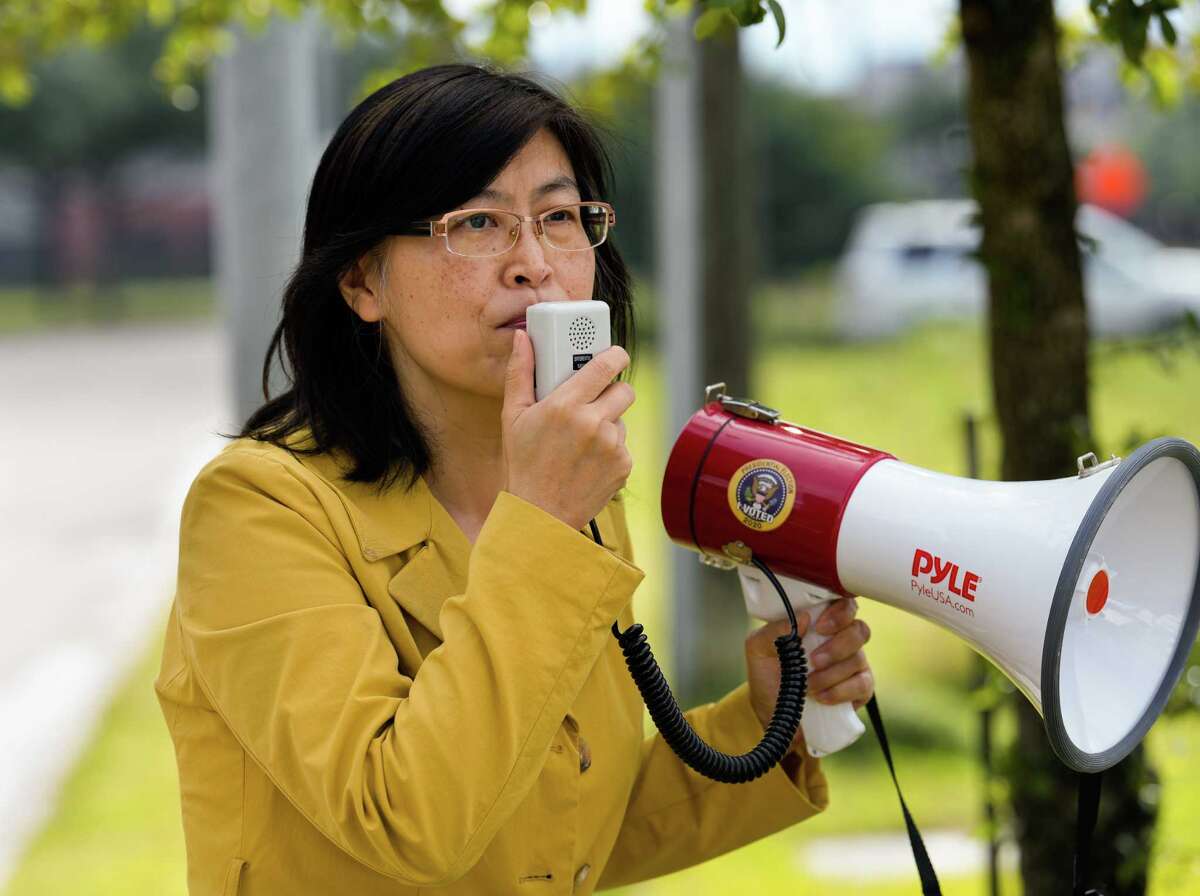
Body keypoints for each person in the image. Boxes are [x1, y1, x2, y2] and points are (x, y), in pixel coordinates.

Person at [154, 63, 874, 895]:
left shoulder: (573, 501)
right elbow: (409, 818)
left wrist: (765, 717)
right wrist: (541, 525)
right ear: (360, 282)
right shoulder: (257, 510)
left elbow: (557, 836)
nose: (533, 261)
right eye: (478, 222)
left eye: (560, 217)